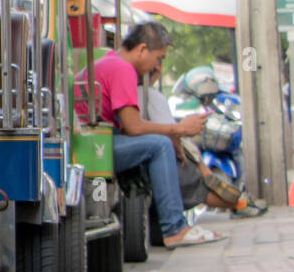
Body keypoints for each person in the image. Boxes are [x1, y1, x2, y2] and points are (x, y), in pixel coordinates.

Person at [75, 21, 224, 246]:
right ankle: (174, 227)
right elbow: (134, 126)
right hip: (97, 149)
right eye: (159, 58)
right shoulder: (123, 69)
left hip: (93, 144)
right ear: (143, 49)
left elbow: (127, 127)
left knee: (159, 142)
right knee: (160, 146)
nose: (157, 66)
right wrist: (178, 129)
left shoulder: (108, 63)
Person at [141, 68, 266, 219]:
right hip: (166, 148)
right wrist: (181, 136)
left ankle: (238, 202)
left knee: (206, 173)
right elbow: (147, 128)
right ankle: (238, 204)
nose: (160, 69)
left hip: (171, 144)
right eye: (159, 60)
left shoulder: (152, 95)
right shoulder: (153, 96)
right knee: (198, 181)